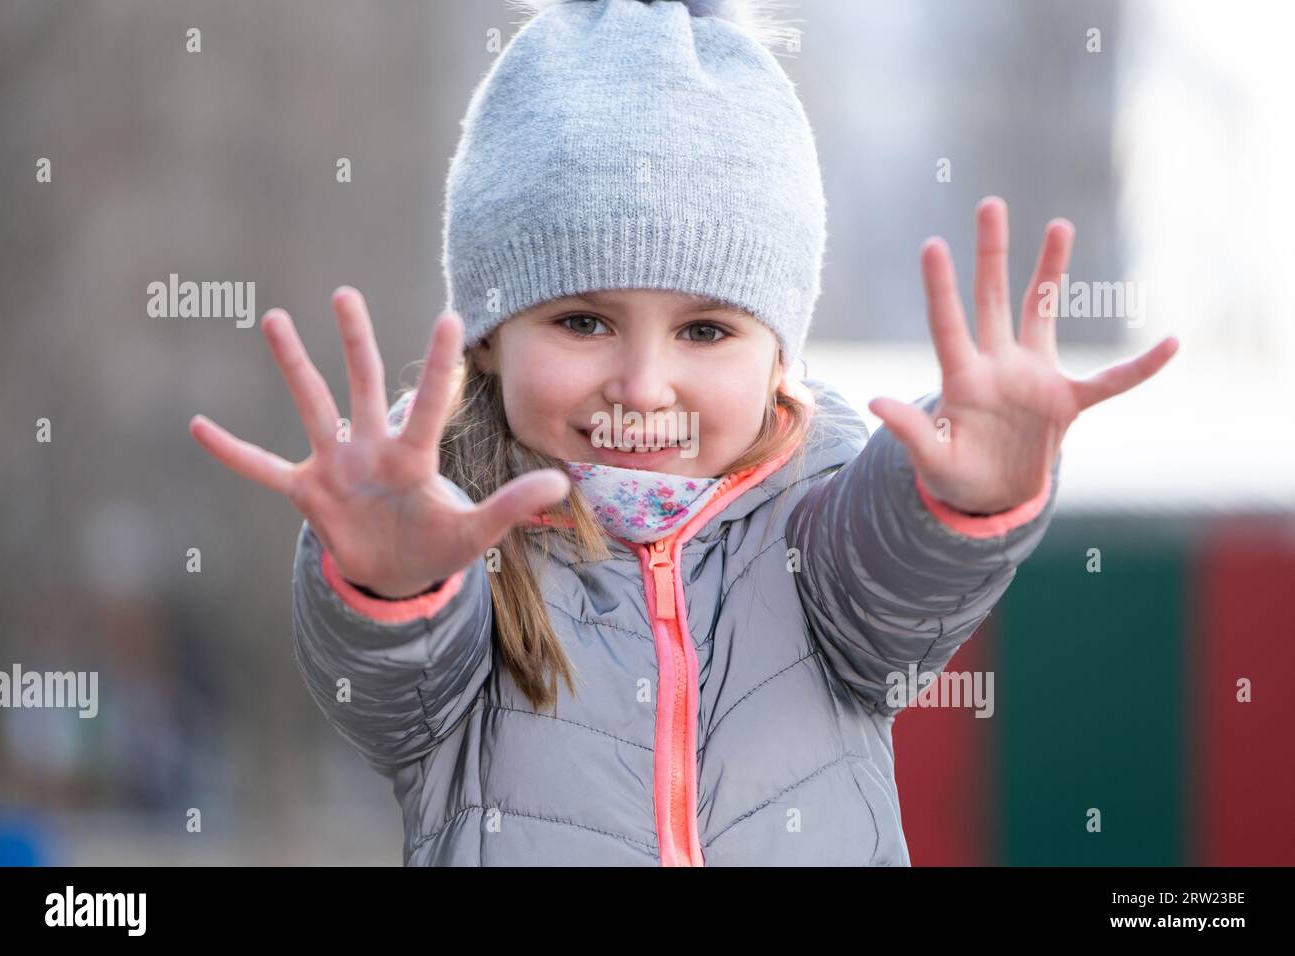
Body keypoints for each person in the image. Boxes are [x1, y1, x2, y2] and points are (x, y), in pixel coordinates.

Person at [189, 0, 1177, 865]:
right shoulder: (463, 547)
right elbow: (388, 687)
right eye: (582, 320)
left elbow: (893, 570)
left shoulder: (813, 529)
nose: (643, 381)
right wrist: (391, 583)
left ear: (777, 355)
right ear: (489, 341)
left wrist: (971, 493)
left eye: (706, 328)